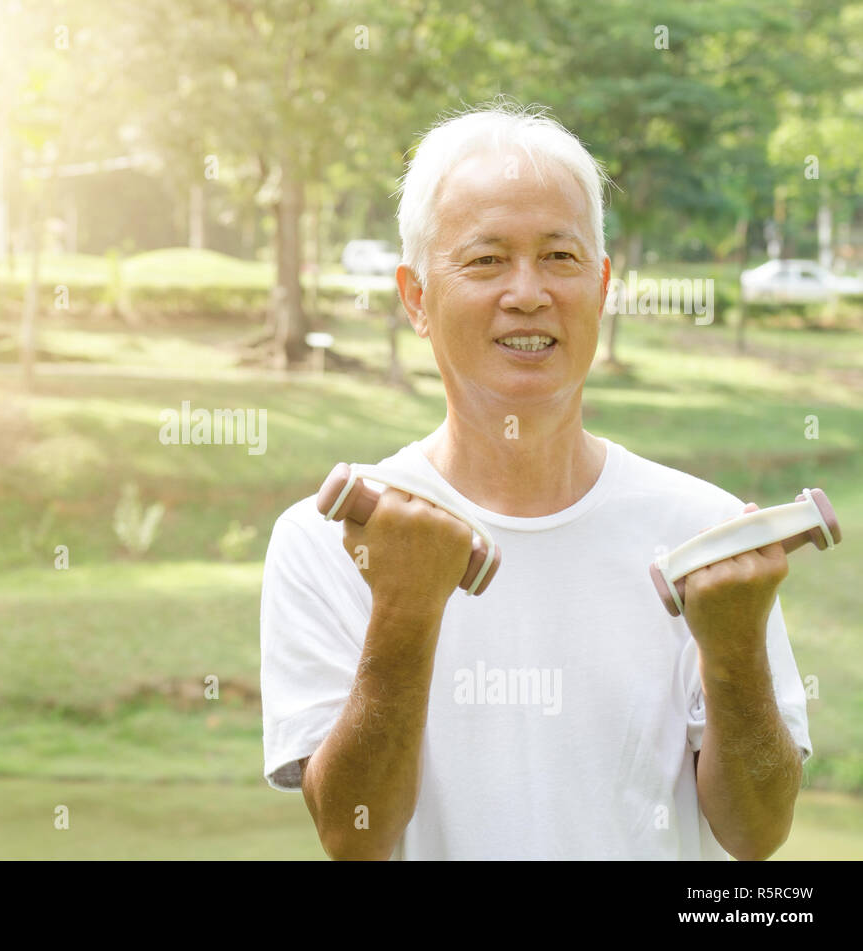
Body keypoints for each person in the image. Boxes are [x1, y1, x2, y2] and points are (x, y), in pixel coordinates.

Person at [259, 102, 811, 861]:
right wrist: (406, 607)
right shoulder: (329, 542)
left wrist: (735, 649)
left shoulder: (705, 537)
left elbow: (757, 835)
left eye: (560, 257)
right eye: (486, 260)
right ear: (416, 297)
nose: (527, 292)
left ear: (603, 284)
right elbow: (353, 834)